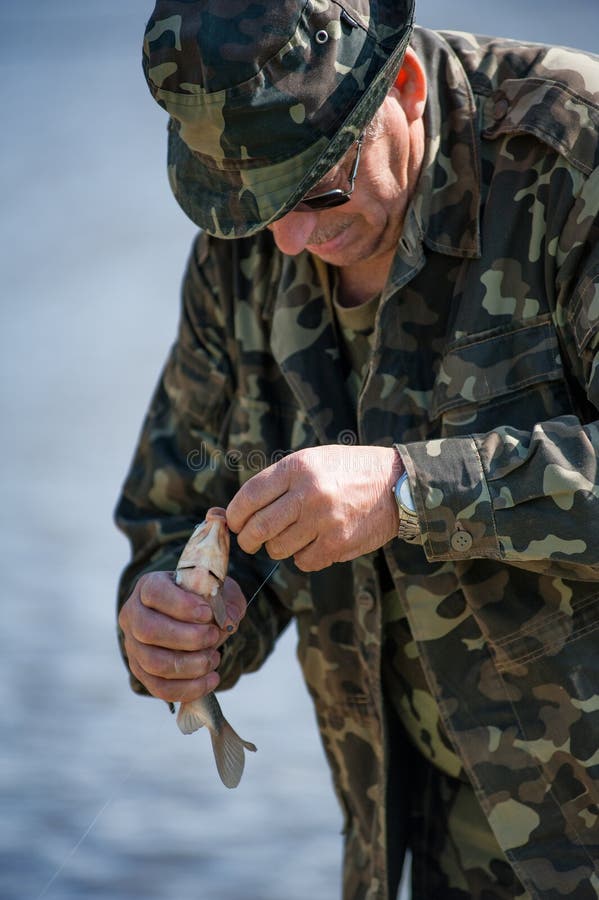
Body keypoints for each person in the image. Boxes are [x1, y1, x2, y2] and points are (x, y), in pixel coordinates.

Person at [115, 1, 599, 896]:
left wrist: (408, 491)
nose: (288, 239)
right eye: (252, 209)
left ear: (405, 90)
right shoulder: (249, 235)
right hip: (425, 851)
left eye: (319, 191)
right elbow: (175, 505)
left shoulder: (575, 157)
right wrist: (171, 625)